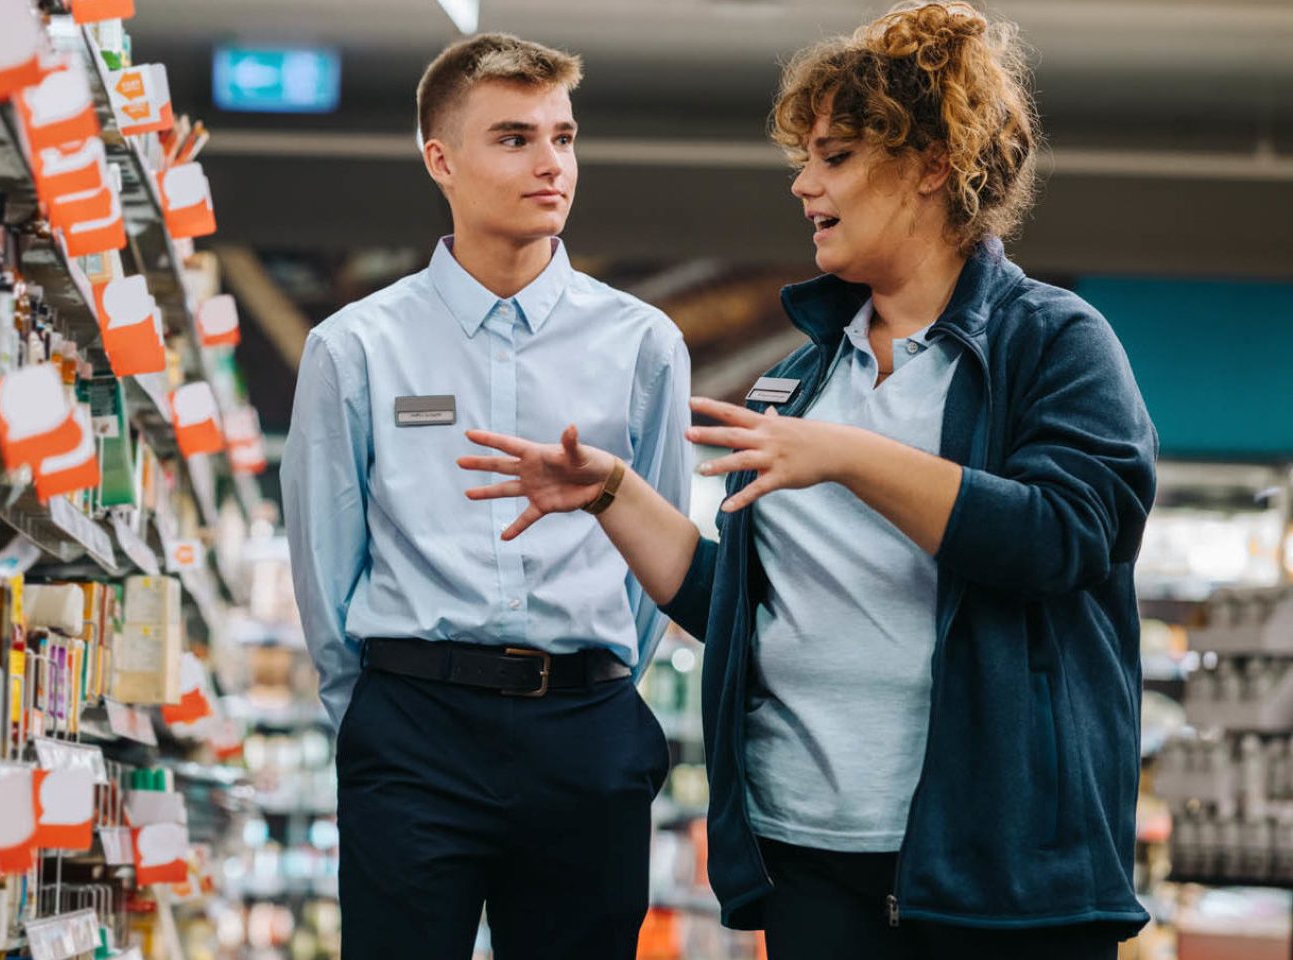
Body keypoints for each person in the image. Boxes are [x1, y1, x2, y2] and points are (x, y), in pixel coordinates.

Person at [458, 4, 1158, 958]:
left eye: (834, 157)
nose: (802, 183)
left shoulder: (1052, 341)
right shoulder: (801, 377)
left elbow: (1067, 538)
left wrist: (849, 456)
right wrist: (613, 491)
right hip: (809, 855)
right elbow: (743, 603)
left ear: (930, 166)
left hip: (999, 867)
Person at [281, 32, 691, 960]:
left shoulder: (642, 344)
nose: (552, 163)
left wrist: (597, 679)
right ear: (441, 160)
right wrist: (378, 724)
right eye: (514, 137)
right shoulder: (356, 347)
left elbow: (658, 557)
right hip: (413, 732)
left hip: (585, 731)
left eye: (565, 135)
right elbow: (324, 563)